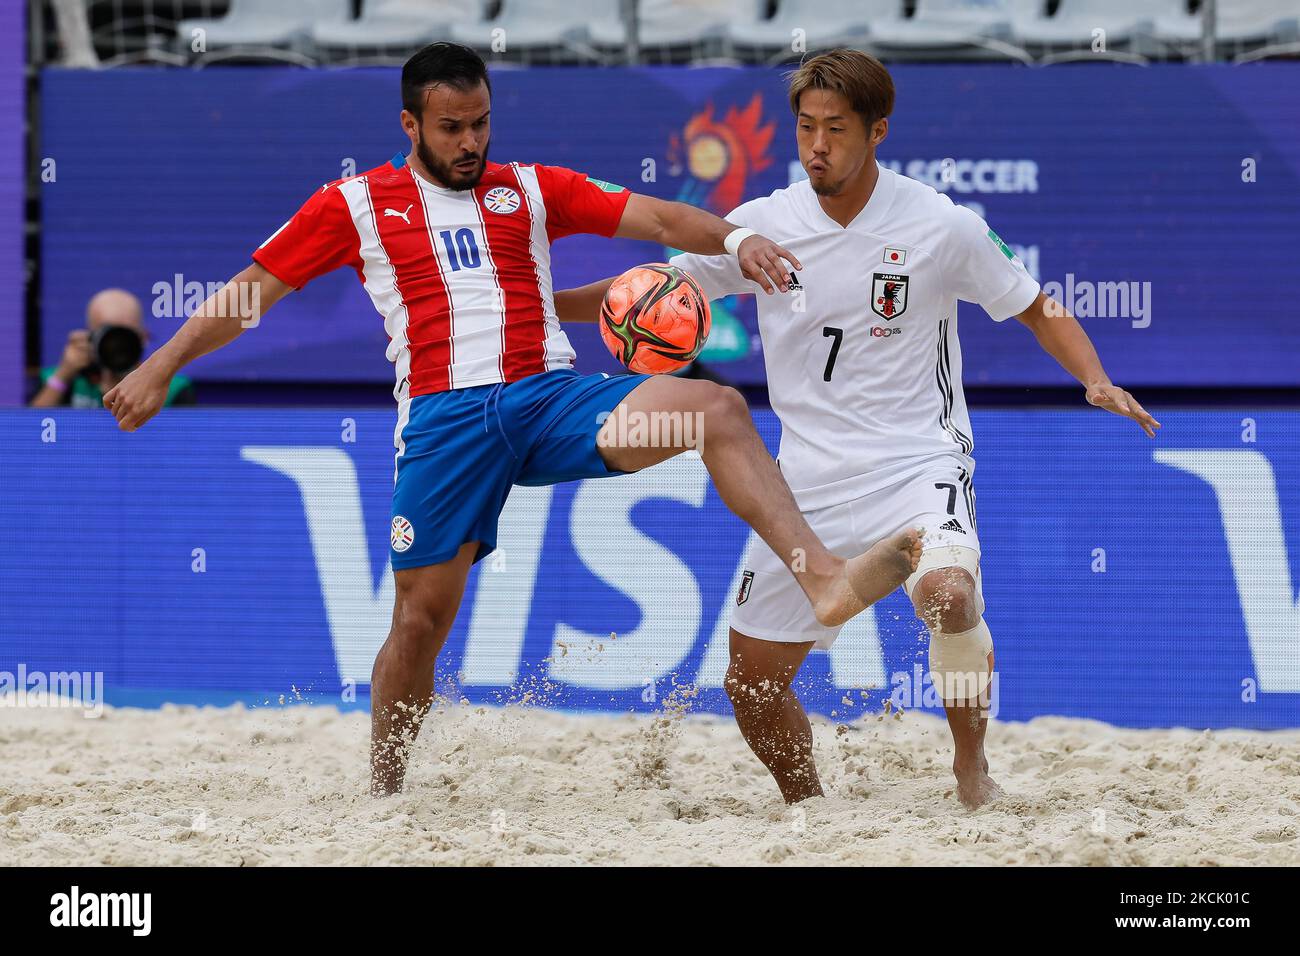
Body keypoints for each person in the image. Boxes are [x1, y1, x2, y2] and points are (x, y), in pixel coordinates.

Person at [101, 42, 921, 796]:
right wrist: (158, 366)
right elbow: (252, 293)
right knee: (420, 622)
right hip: (444, 425)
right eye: (451, 127)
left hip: (549, 404)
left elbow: (664, 221)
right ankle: (387, 787)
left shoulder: (526, 187)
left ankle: (821, 577)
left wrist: (738, 237)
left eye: (481, 123)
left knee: (717, 407)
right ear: (409, 124)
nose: (470, 142)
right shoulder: (353, 204)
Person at [556, 49, 1159, 809]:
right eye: (805, 128)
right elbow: (647, 289)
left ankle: (970, 766)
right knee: (750, 684)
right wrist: (544, 308)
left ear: (878, 131)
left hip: (917, 459)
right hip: (802, 482)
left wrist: (1094, 378)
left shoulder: (940, 225)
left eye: (835, 130)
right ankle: (812, 812)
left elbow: (1037, 305)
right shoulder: (760, 228)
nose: (816, 146)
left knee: (947, 593)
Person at [32, 288, 194, 408]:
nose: (116, 346)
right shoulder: (64, 381)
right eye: (108, 336)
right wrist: (63, 375)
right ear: (90, 338)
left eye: (125, 336)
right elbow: (32, 434)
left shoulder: (171, 387)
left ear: (143, 337)